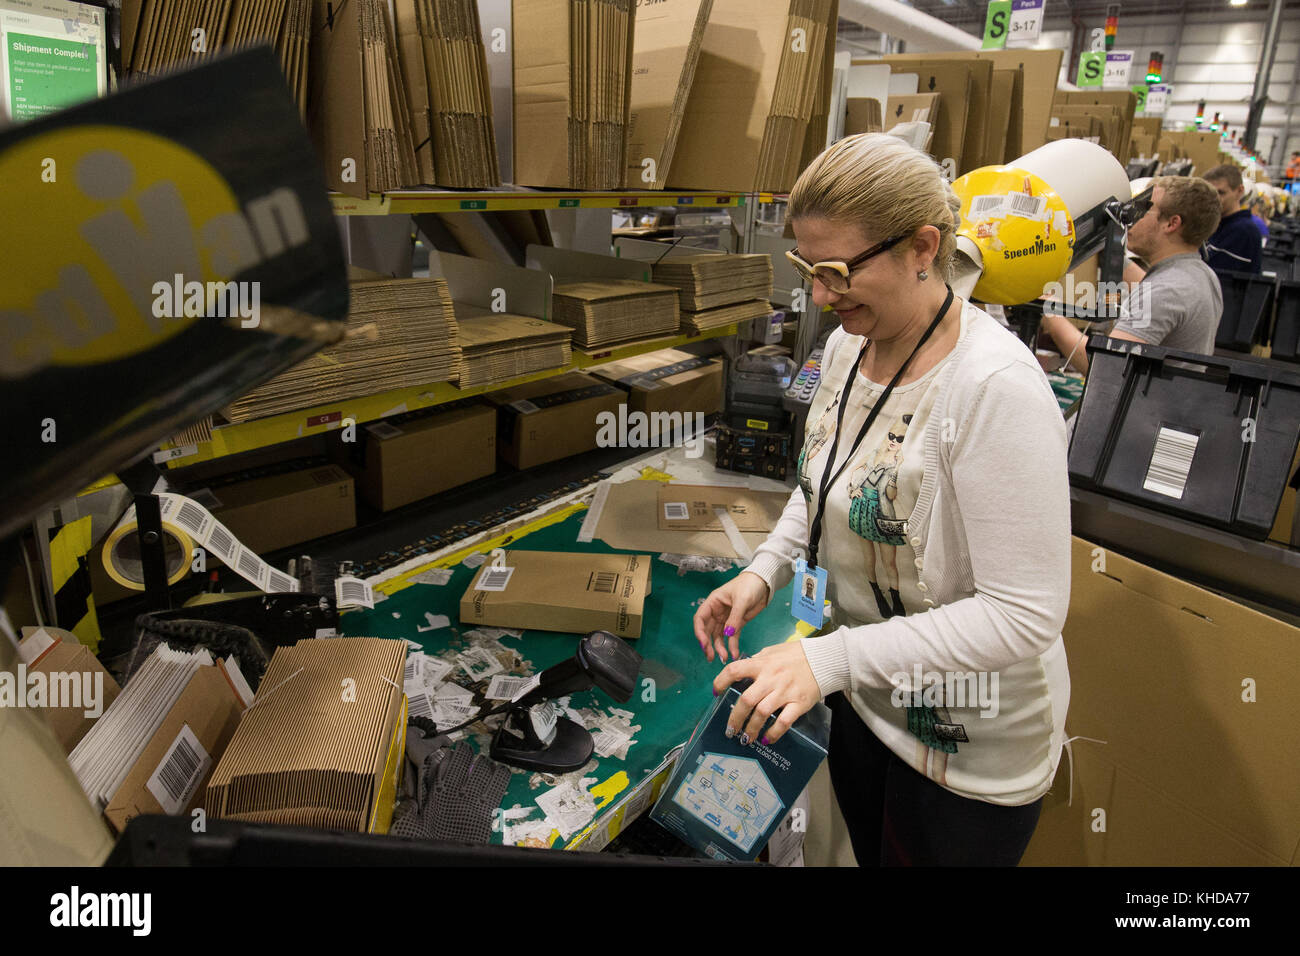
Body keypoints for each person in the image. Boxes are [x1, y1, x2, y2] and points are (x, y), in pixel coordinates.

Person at [691, 132, 1072, 867]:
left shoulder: (994, 387)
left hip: (970, 750)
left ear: (922, 246)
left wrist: (830, 661)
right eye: (807, 269)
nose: (819, 295)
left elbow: (1023, 613)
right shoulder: (847, 346)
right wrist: (763, 571)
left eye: (835, 271)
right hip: (870, 697)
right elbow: (825, 482)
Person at [1040, 176, 1223, 374]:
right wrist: (1111, 253)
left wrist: (1050, 310)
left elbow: (1103, 367)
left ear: (1171, 224)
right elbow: (1153, 288)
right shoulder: (1201, 274)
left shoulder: (1167, 291)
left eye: (1144, 209)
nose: (1132, 217)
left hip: (1147, 404)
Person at [1202, 165, 1262, 274]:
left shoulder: (1243, 231)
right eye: (1209, 193)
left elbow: (1213, 276)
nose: (1213, 199)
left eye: (1220, 193)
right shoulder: (1215, 224)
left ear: (1239, 191)